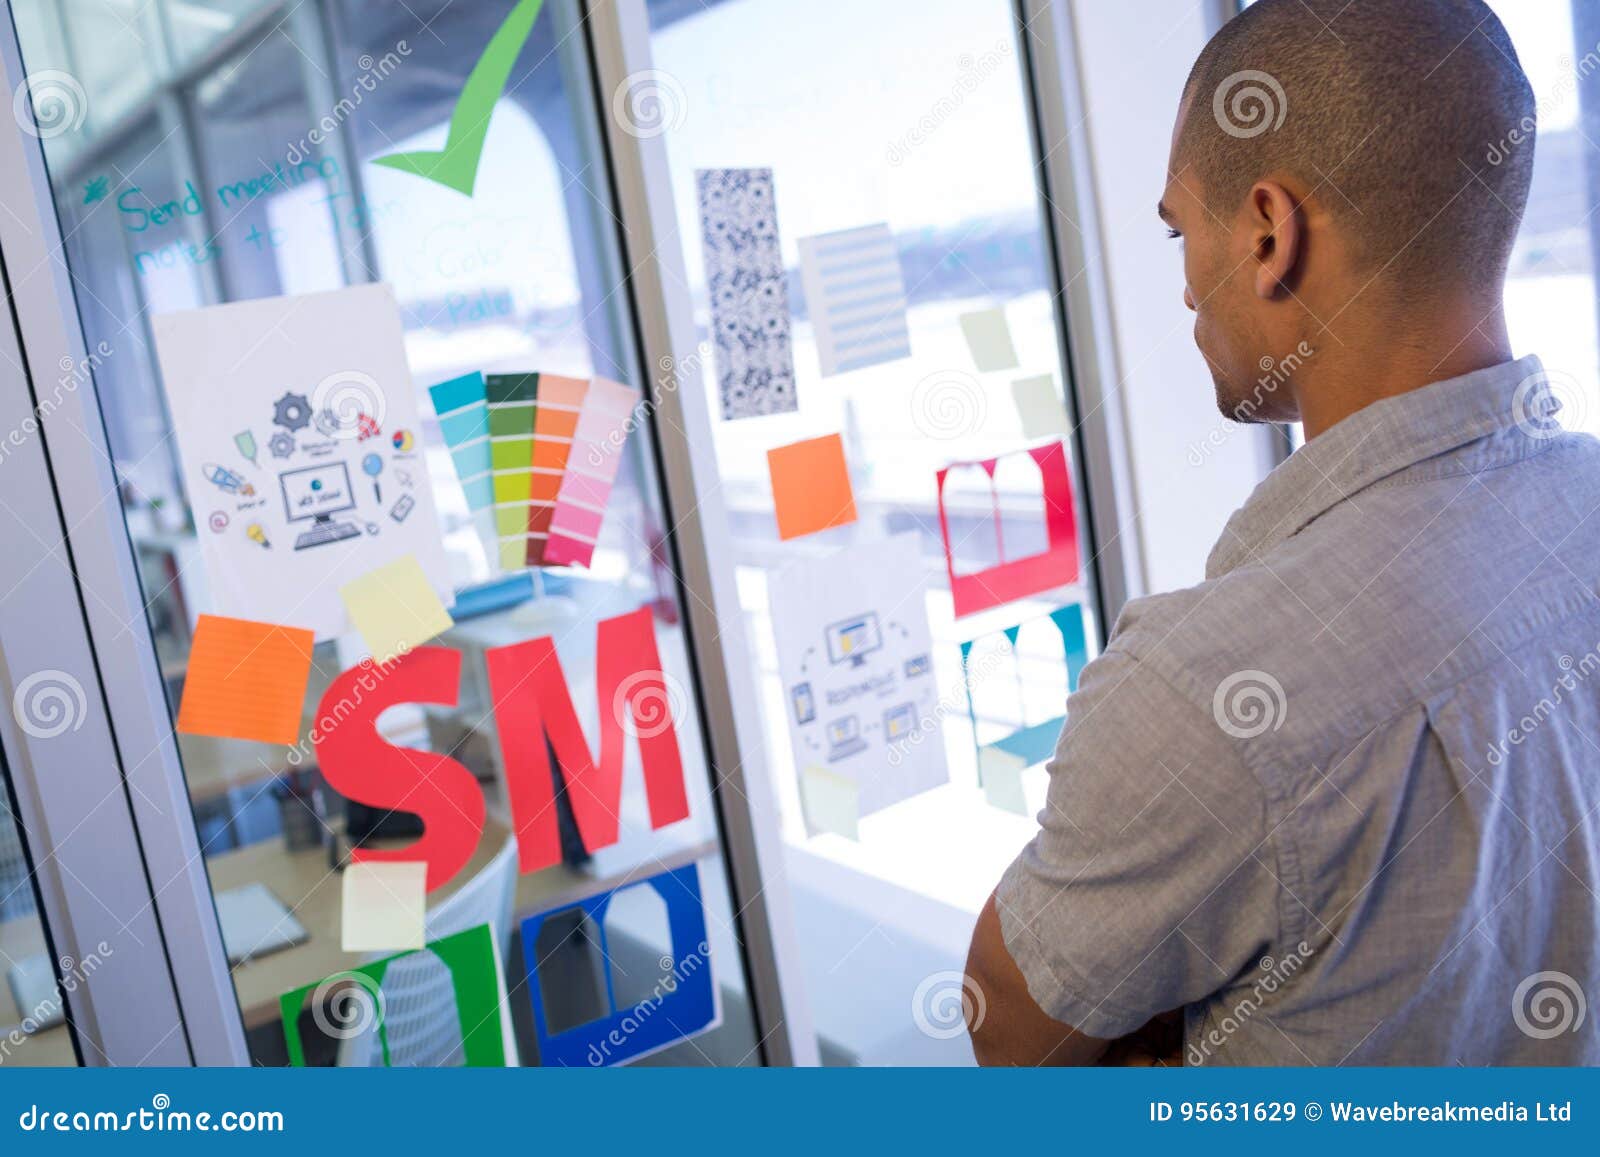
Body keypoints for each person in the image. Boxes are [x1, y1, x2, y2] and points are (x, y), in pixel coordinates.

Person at [965, 0, 1600, 1065]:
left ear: (1268, 232)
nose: (1183, 287)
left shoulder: (1201, 691)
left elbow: (1009, 1033)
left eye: (1181, 230)